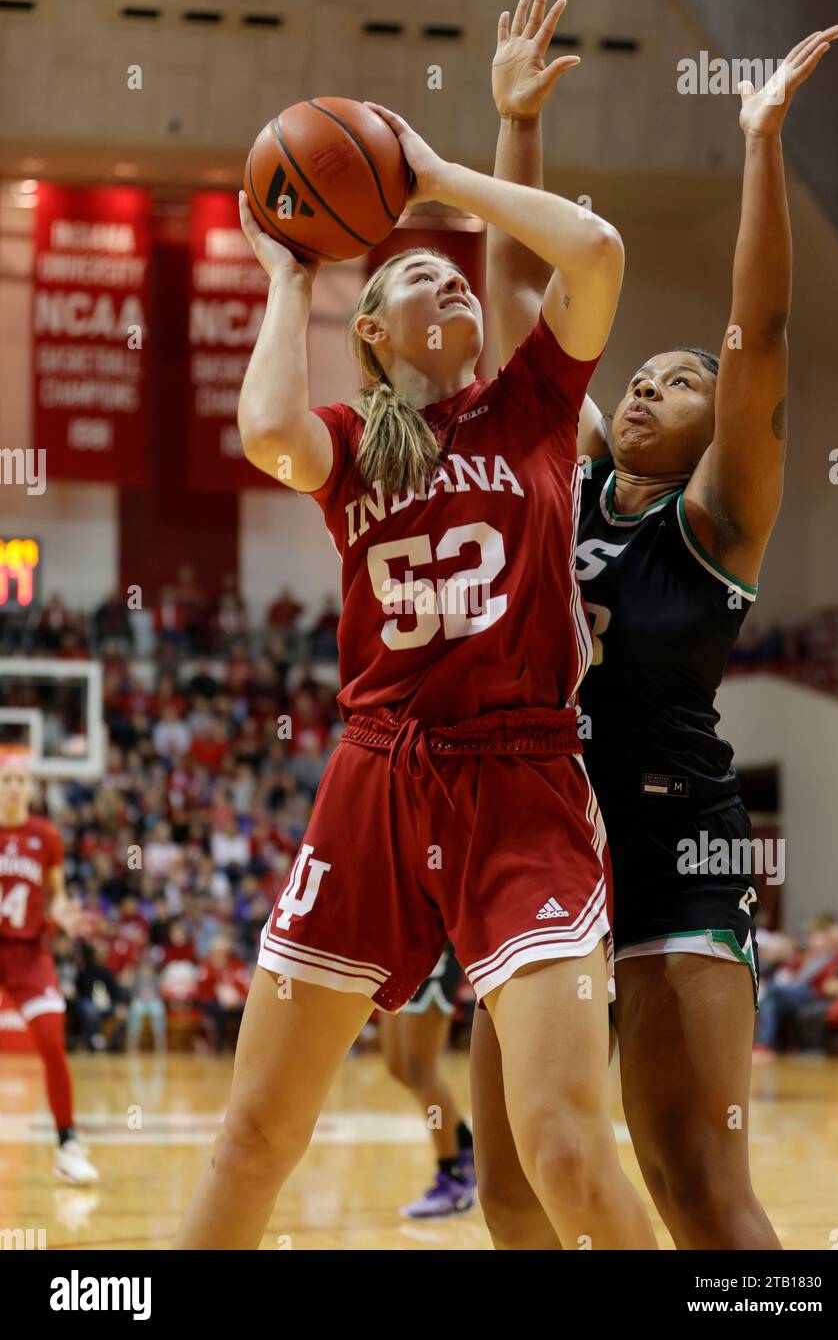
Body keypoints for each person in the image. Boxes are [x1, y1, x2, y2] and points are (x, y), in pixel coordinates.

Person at [176, 97, 656, 1250]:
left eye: (456, 279)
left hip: (522, 782)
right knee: (254, 1136)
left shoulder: (534, 407)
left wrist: (438, 177)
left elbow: (593, 251)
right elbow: (266, 431)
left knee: (561, 1147)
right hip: (374, 781)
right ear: (376, 335)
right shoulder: (351, 442)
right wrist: (290, 276)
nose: (448, 284)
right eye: (413, 283)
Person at [470, 0, 838, 1250]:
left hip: (689, 841)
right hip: (546, 837)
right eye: (638, 373)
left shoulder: (719, 514)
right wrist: (515, 127)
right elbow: (518, 309)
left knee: (695, 1182)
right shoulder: (562, 476)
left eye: (680, 381)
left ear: (709, 429)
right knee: (515, 1179)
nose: (647, 385)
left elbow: (764, 334)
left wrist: (757, 143)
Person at [0, 747, 99, 1184]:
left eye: (21, 779)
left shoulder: (46, 836)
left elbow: (56, 894)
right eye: (7, 779)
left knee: (51, 1045)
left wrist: (61, 911)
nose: (15, 786)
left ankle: (67, 1144)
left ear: (31, 788)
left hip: (29, 954)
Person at [380, 944, 476, 1217]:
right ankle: (467, 1146)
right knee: (398, 1065)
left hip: (429, 938)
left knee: (420, 1067)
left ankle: (453, 1179)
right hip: (394, 940)